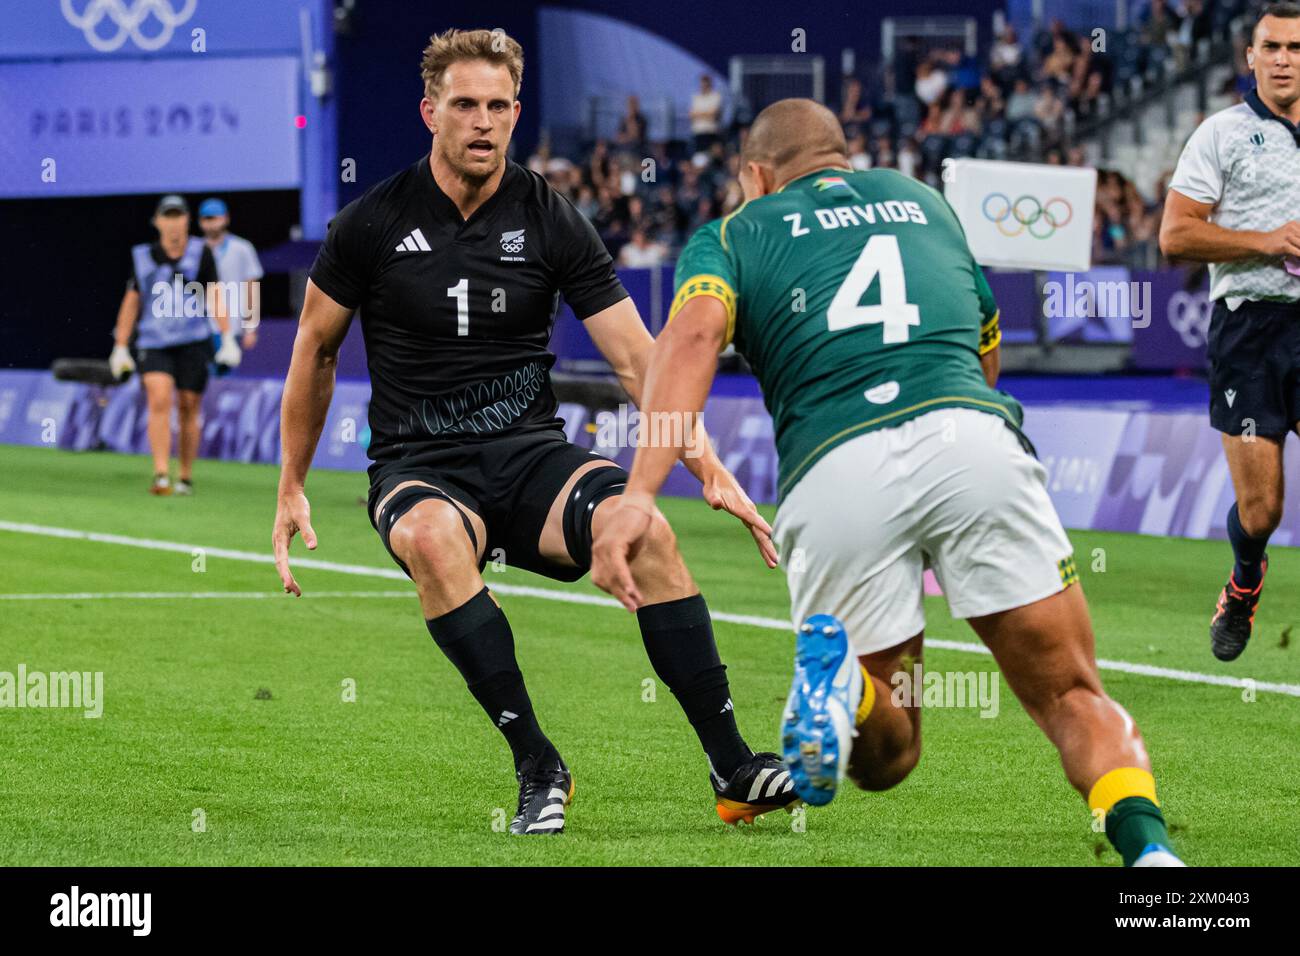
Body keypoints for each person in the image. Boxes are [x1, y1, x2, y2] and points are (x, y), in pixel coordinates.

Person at [592, 98, 1184, 867]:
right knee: (1072, 693)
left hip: (836, 471)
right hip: (969, 438)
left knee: (888, 754)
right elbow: (984, 344)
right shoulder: (924, 204)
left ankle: (849, 691)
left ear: (757, 175)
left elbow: (693, 338)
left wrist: (640, 491)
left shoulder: (734, 233)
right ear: (844, 155)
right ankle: (1154, 862)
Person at [272, 28, 795, 836]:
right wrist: (291, 484)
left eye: (498, 107)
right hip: (420, 463)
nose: (482, 122)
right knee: (434, 537)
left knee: (648, 529)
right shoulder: (369, 223)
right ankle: (537, 764)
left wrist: (707, 464)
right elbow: (315, 350)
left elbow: (639, 361)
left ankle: (733, 767)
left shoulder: (553, 219)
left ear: (516, 113)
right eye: (464, 105)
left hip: (532, 460)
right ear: (429, 112)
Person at [1160, 2, 1300, 662]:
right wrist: (1264, 242)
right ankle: (1244, 584)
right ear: (1250, 56)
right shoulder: (1221, 134)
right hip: (1249, 330)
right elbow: (1175, 234)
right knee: (1261, 511)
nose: (1282, 58)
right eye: (1270, 46)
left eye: (1296, 47)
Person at [108, 194, 240, 495]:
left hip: (193, 340)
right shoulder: (143, 257)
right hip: (154, 341)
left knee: (189, 406)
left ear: (186, 220)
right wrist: (120, 345)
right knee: (159, 398)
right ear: (157, 222)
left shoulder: (202, 253)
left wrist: (227, 336)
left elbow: (215, 295)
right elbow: (131, 302)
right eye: (167, 215)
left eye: (178, 215)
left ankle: (185, 475)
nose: (173, 221)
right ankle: (161, 473)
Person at [198, 198, 264, 350]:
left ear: (226, 218)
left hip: (232, 325)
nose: (211, 222)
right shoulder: (194, 251)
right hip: (200, 328)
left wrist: (250, 328)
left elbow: (251, 289)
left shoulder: (242, 248)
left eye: (215, 217)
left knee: (227, 371)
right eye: (206, 218)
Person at [688, 74, 723, 155]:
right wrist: (706, 113)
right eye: (702, 83)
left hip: (711, 133)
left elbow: (714, 114)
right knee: (699, 158)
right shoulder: (696, 97)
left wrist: (699, 114)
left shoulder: (716, 96)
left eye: (705, 83)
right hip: (698, 133)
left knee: (713, 156)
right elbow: (691, 115)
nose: (703, 86)